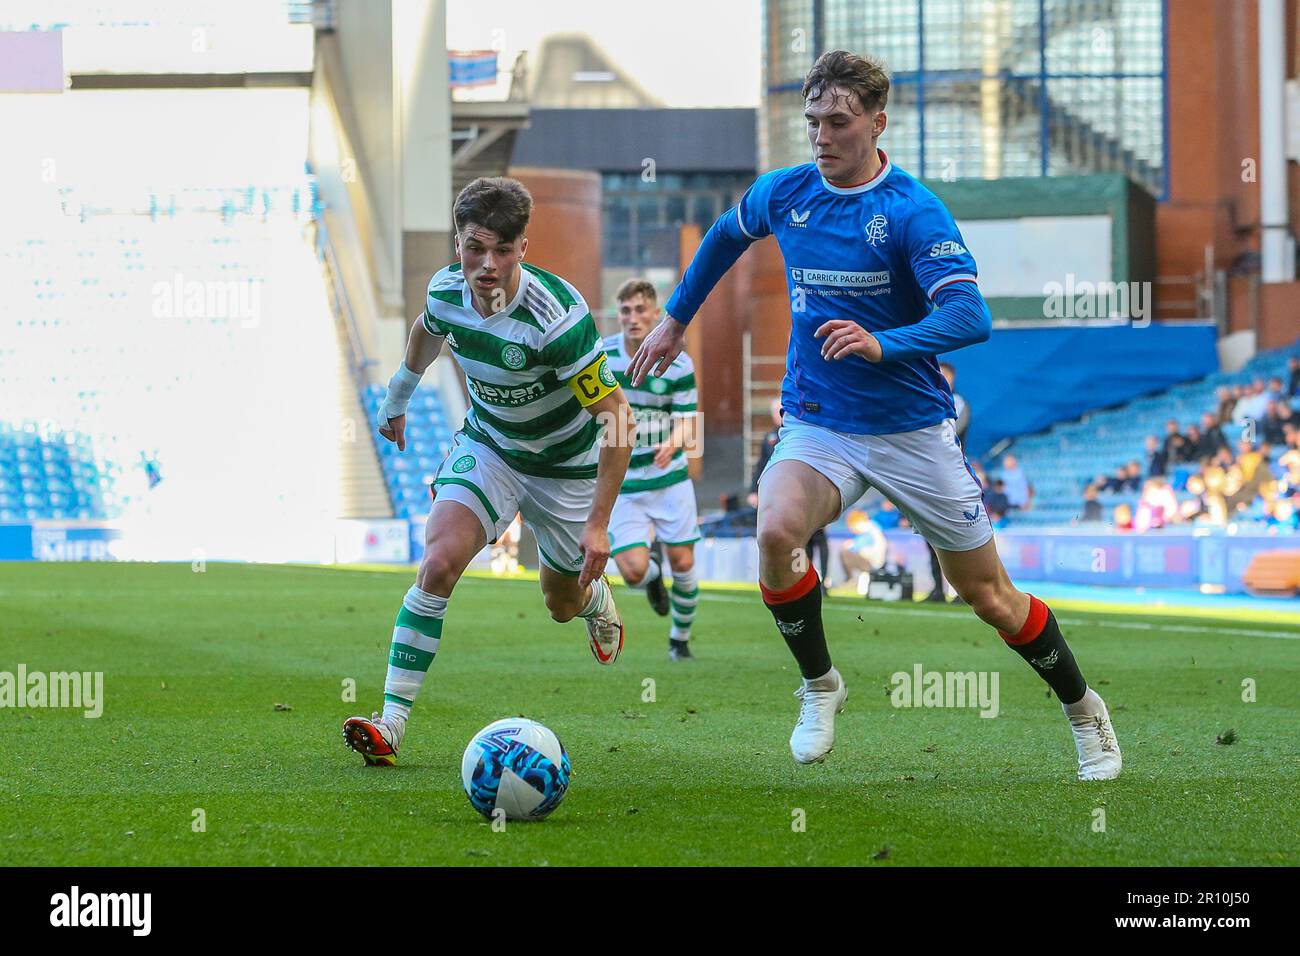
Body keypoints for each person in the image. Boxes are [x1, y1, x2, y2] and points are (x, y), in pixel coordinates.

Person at [627, 50, 1120, 780]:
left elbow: (970, 315)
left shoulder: (912, 212)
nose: (822, 137)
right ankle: (820, 685)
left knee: (989, 598)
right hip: (819, 420)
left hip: (912, 429)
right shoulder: (785, 192)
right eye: (813, 122)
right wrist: (675, 319)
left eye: (838, 122)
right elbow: (727, 236)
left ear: (877, 123)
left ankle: (1087, 714)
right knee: (775, 530)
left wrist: (883, 343)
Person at [342, 177, 636, 766]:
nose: (488, 265)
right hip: (493, 446)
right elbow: (427, 329)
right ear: (458, 243)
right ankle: (392, 723)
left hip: (565, 468)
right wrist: (399, 393)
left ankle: (594, 600)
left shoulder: (557, 319)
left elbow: (618, 418)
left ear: (524, 248)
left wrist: (600, 522)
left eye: (504, 250)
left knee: (558, 603)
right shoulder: (446, 291)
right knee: (440, 559)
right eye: (476, 247)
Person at [603, 278, 702, 661]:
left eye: (641, 309)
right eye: (626, 310)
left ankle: (679, 640)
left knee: (685, 562)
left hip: (669, 479)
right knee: (631, 571)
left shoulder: (678, 361)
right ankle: (651, 578)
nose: (633, 317)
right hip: (623, 482)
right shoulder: (603, 358)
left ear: (655, 313)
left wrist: (674, 441)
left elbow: (688, 417)